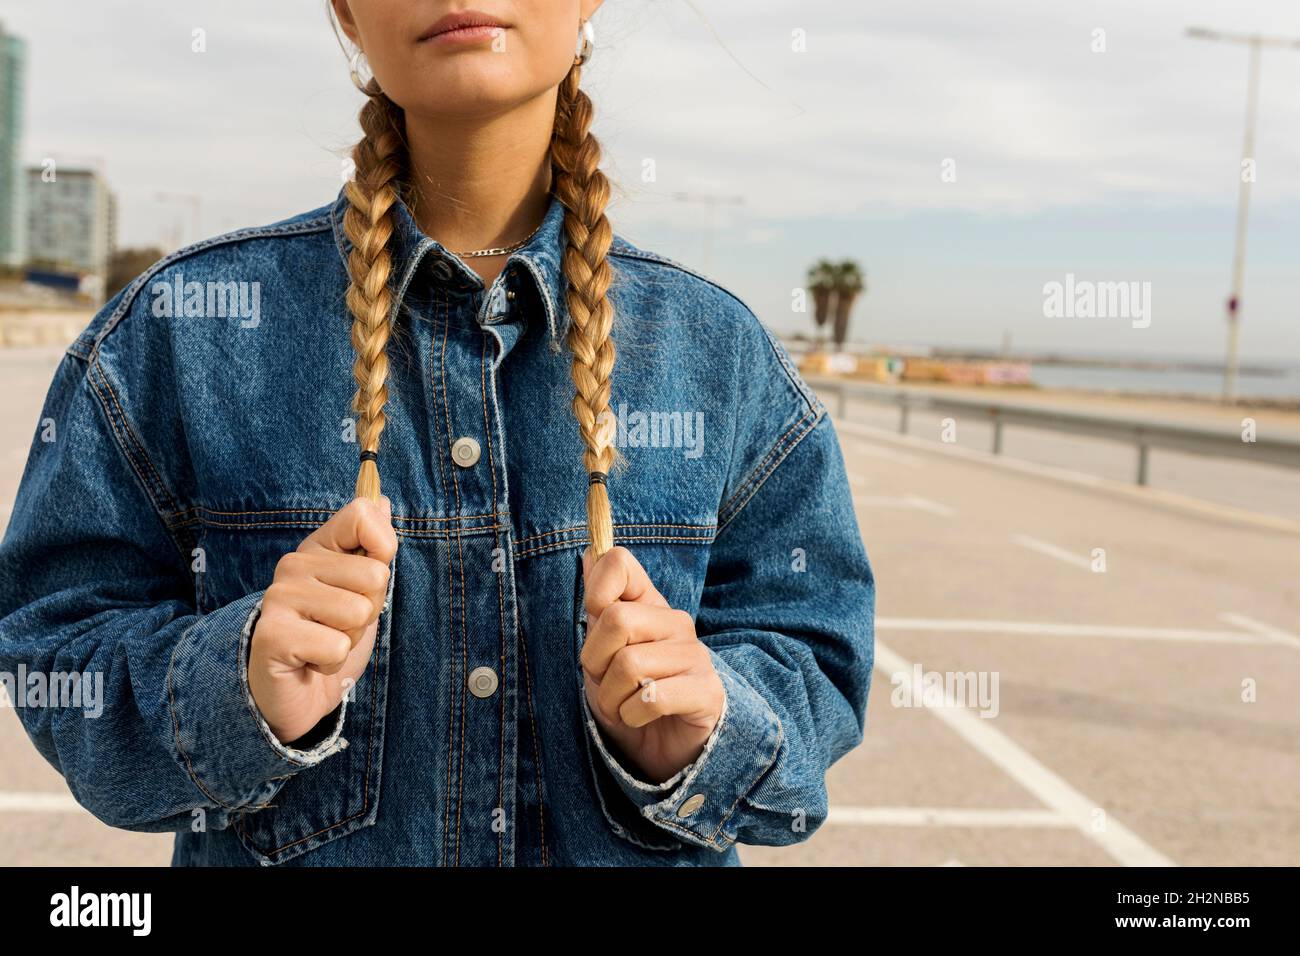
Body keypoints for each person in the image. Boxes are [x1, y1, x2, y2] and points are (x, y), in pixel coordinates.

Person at [0, 0, 874, 866]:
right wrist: (238, 685)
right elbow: (53, 646)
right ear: (346, 11)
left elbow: (818, 662)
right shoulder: (178, 334)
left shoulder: (719, 353)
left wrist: (705, 728)